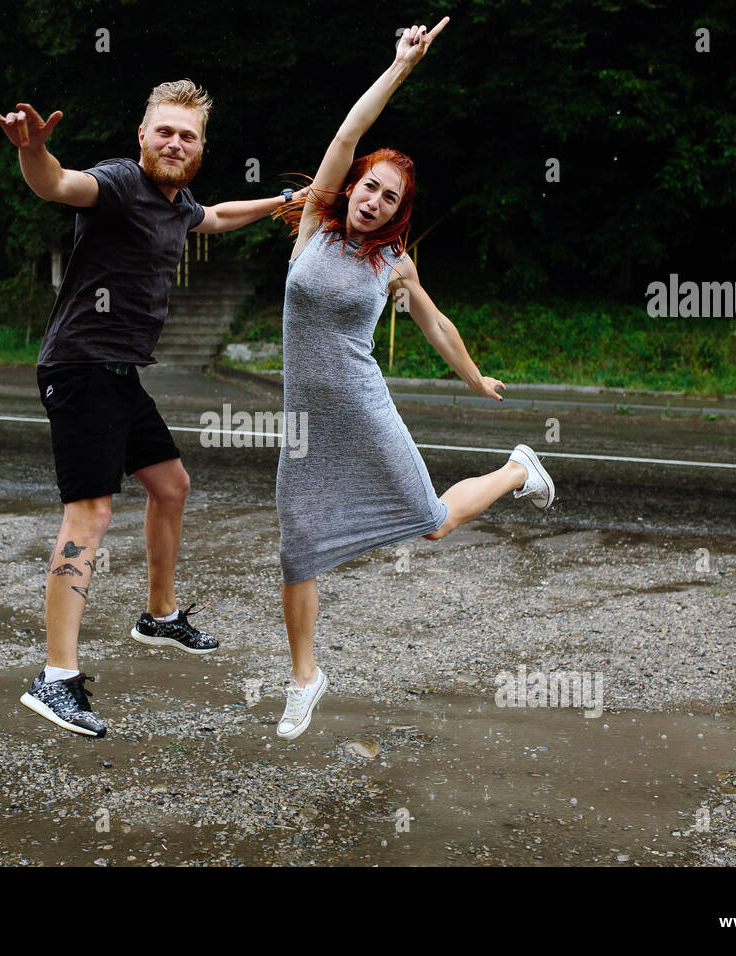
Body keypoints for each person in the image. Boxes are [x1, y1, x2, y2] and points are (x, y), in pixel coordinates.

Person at [0, 80, 307, 737]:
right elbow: (58, 185)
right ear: (142, 136)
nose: (174, 142)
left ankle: (159, 615)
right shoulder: (121, 184)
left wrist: (280, 204)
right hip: (78, 368)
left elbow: (213, 217)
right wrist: (32, 151)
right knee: (90, 514)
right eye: (164, 131)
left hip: (121, 375)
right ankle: (56, 678)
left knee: (171, 485)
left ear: (200, 148)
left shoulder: (177, 202)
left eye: (187, 136)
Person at [270, 20, 557, 740]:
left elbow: (432, 323)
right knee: (297, 547)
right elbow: (346, 131)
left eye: (390, 199)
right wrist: (400, 66)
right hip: (304, 424)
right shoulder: (314, 227)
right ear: (354, 183)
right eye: (370, 187)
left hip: (364, 410)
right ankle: (305, 679)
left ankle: (518, 471)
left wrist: (474, 377)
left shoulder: (391, 263)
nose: (374, 201)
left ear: (399, 213)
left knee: (430, 524)